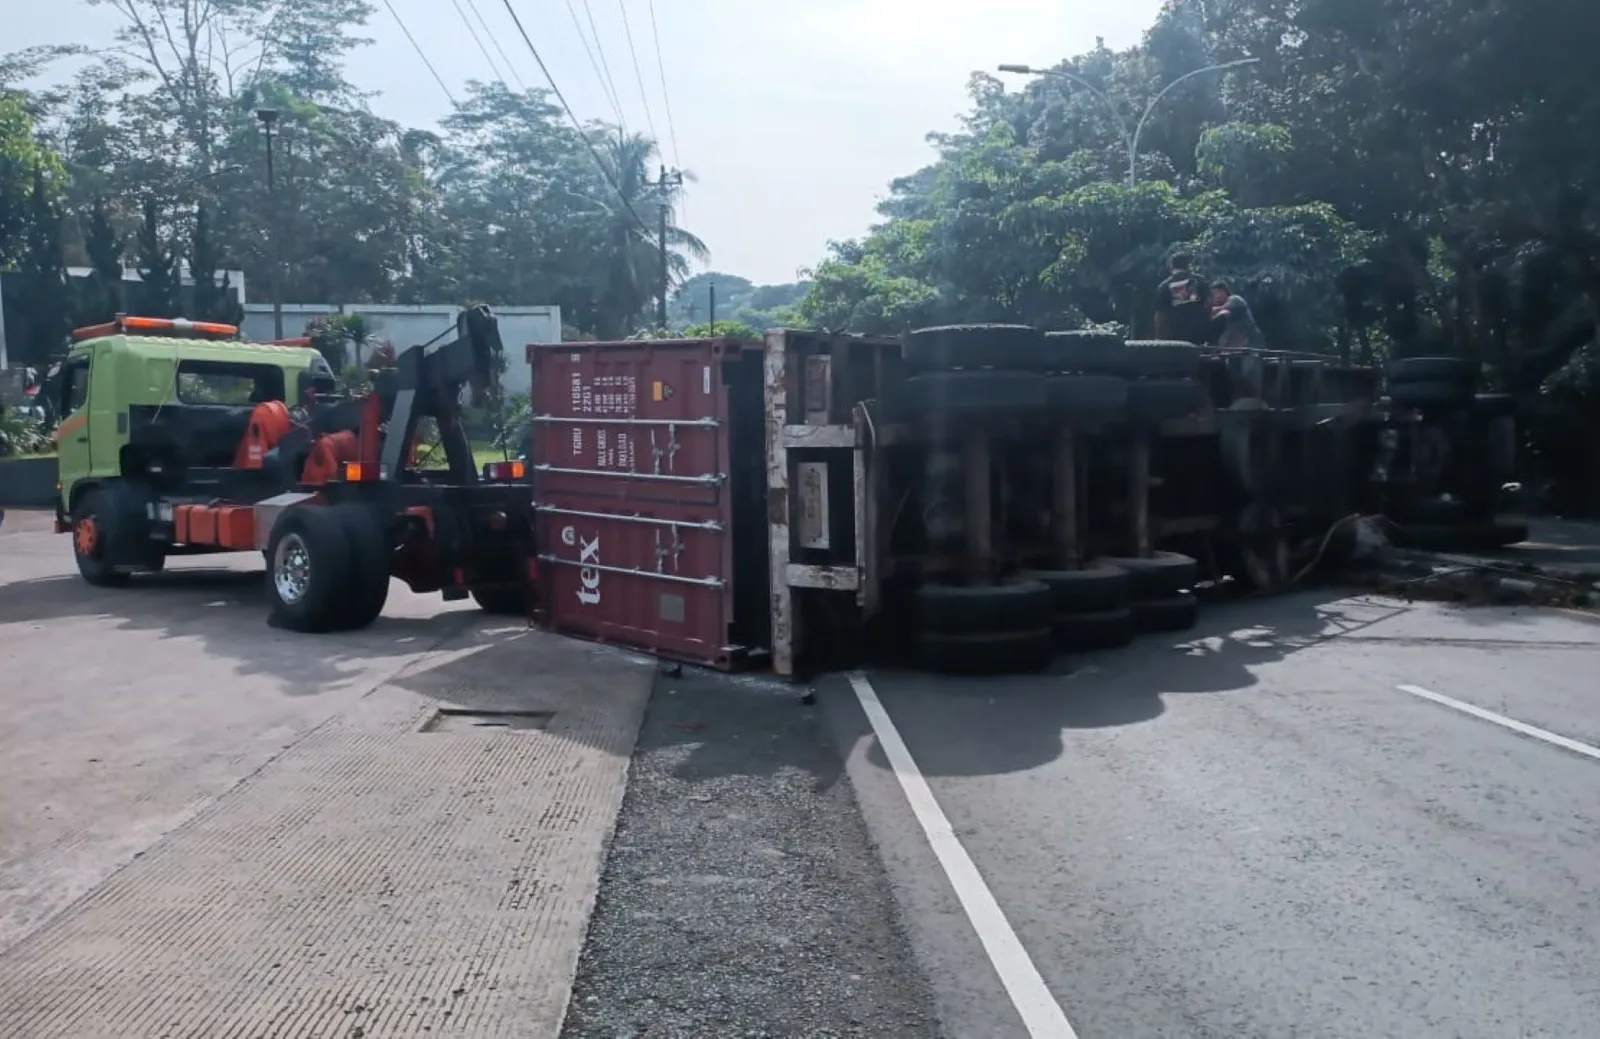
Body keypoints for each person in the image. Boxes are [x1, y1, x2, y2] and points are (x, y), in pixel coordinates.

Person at [1153, 253, 1211, 344]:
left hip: (1175, 336)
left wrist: (1159, 338)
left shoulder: (1163, 286)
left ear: (1171, 266)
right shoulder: (1200, 281)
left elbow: (1160, 316)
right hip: (1199, 334)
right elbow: (1208, 304)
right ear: (1189, 265)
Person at [1209, 280, 1266, 349]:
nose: (1216, 296)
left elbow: (1224, 310)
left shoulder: (1235, 299)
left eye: (1216, 292)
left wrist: (1210, 310)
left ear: (1223, 291)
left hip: (1252, 343)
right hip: (1240, 346)